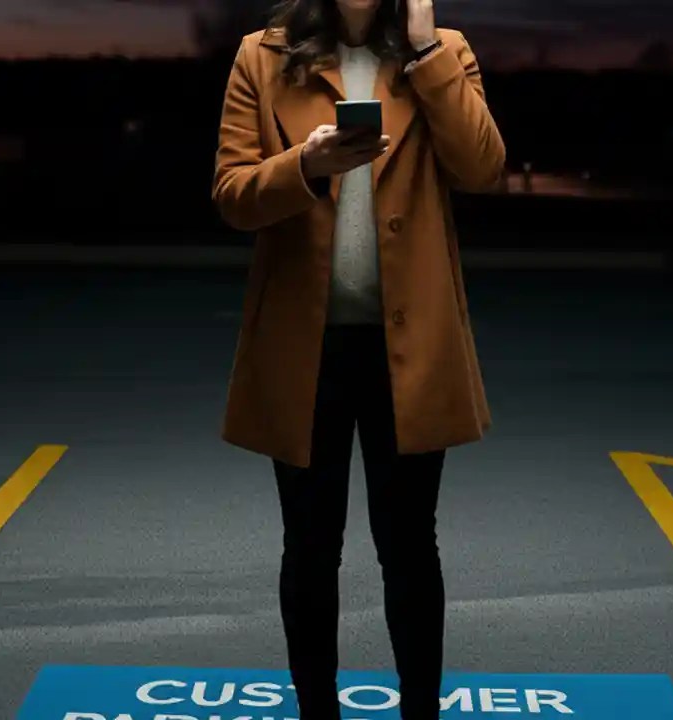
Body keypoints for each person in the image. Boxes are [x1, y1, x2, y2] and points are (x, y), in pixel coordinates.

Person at [210, 1, 504, 720]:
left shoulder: (444, 50)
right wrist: (303, 166)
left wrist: (429, 51)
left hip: (410, 345)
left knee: (409, 547)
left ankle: (421, 713)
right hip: (304, 347)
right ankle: (316, 712)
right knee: (309, 547)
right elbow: (232, 196)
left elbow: (482, 168)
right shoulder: (262, 54)